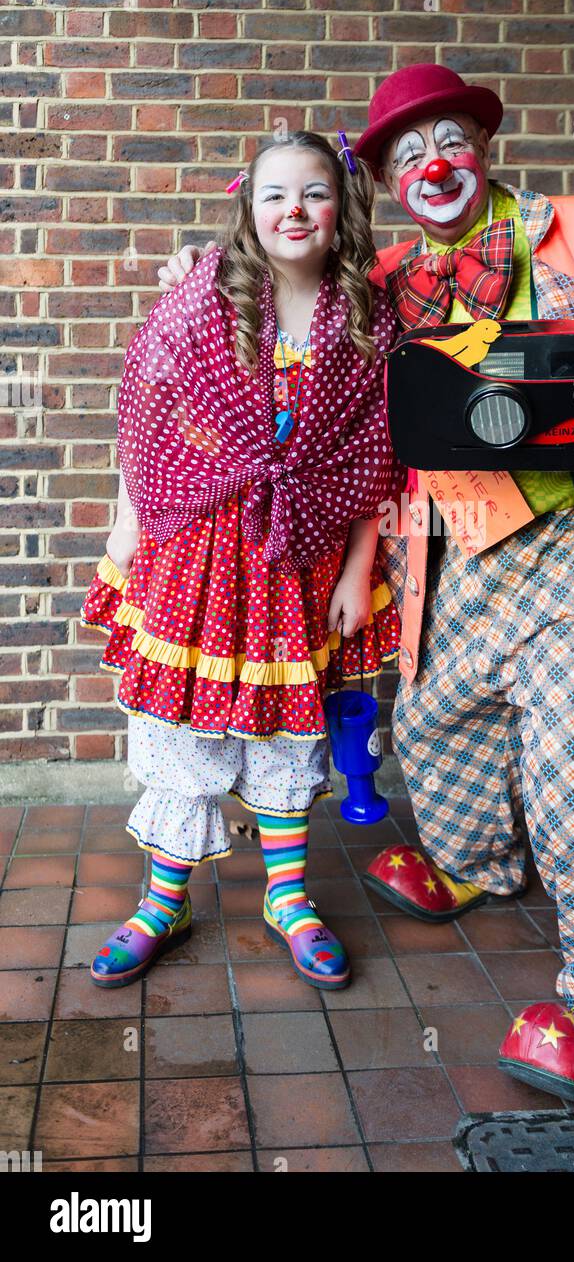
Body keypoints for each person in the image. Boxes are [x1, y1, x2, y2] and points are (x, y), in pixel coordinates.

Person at [156, 65, 574, 1108]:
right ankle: (479, 859)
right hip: (452, 551)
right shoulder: (382, 281)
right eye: (403, 155)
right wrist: (197, 276)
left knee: (573, 770)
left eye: (448, 140)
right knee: (436, 724)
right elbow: (280, 291)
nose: (431, 165)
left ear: (484, 146)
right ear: (384, 180)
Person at [81, 130, 406, 994]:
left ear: (342, 210)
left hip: (303, 554)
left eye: (314, 193)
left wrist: (352, 572)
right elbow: (146, 419)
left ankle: (289, 898)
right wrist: (128, 521)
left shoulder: (368, 322)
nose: (293, 210)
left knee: (286, 730)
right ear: (247, 206)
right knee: (185, 726)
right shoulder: (204, 296)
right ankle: (163, 902)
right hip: (199, 546)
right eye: (274, 194)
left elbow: (373, 462)